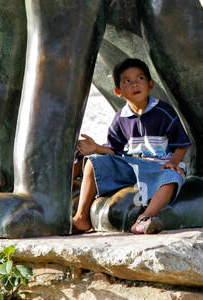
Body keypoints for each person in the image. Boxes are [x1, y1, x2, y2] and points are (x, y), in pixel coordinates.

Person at [71, 58, 191, 234]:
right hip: (131, 165)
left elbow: (182, 144)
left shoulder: (163, 112)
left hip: (158, 166)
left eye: (140, 78)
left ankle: (143, 219)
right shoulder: (121, 118)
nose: (135, 84)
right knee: (93, 162)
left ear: (150, 84)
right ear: (118, 92)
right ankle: (81, 217)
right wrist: (95, 148)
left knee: (172, 178)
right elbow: (114, 149)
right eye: (127, 81)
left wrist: (173, 161)